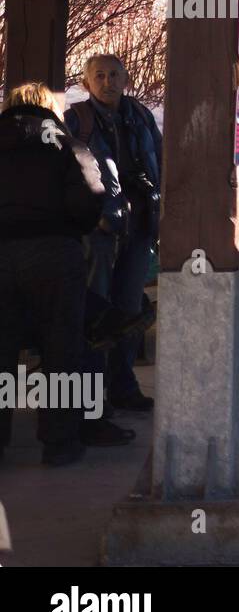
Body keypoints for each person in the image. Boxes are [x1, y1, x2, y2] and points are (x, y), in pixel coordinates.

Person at [0, 82, 105, 466]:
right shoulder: (66, 146)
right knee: (61, 348)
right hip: (54, 253)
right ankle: (59, 443)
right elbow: (90, 203)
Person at [64, 54, 161, 417]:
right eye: (99, 75)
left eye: (115, 74)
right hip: (98, 232)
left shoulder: (140, 116)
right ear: (87, 82)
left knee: (130, 310)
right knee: (96, 313)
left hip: (137, 229)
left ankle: (123, 385)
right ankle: (93, 397)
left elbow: (160, 162)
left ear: (126, 77)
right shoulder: (77, 119)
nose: (108, 82)